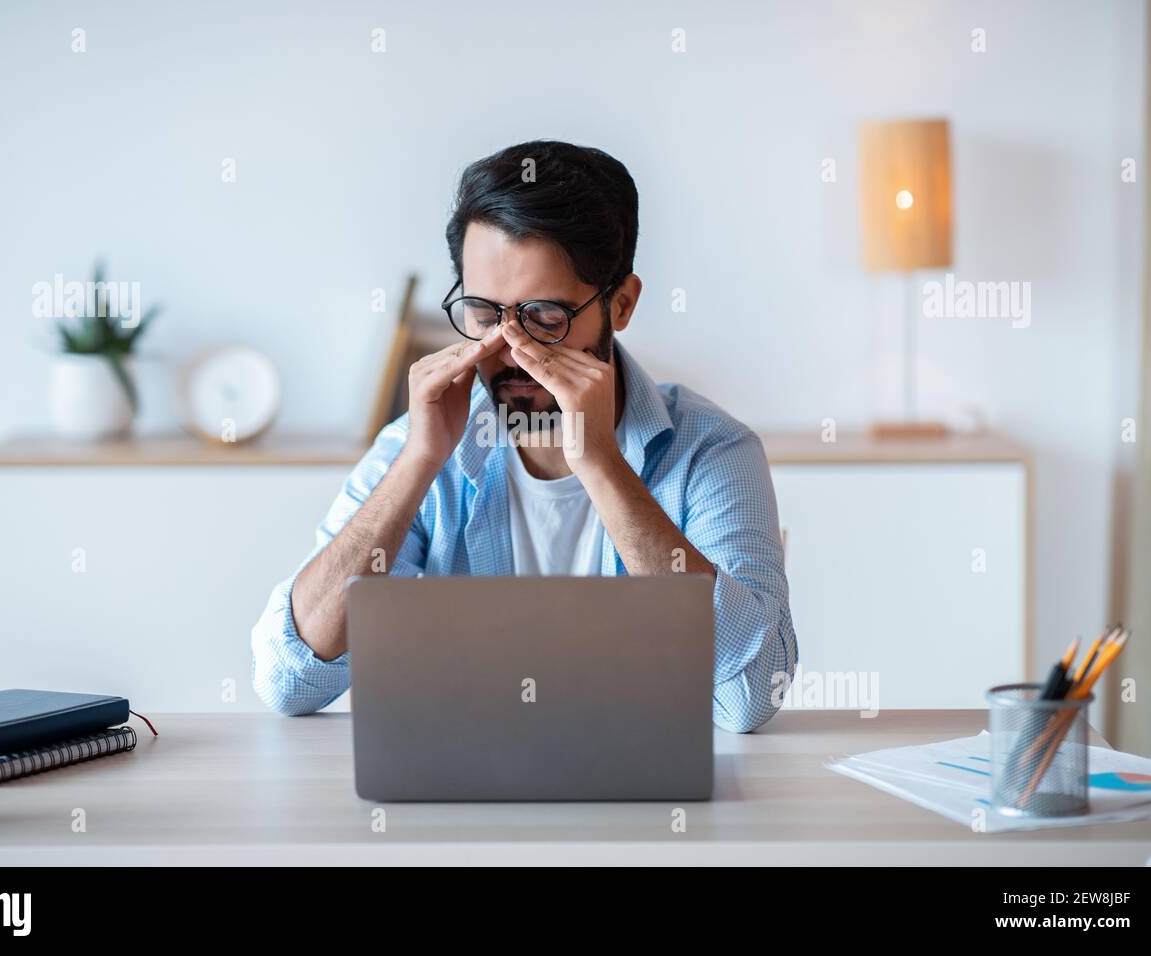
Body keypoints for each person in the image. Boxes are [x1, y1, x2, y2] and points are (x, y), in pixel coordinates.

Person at [252, 140, 797, 732]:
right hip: (461, 803)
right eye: (485, 313)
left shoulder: (711, 451)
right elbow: (289, 681)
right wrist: (418, 462)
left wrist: (602, 465)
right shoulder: (422, 444)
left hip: (646, 813)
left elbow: (748, 698)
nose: (511, 349)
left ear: (621, 304)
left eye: (544, 317)